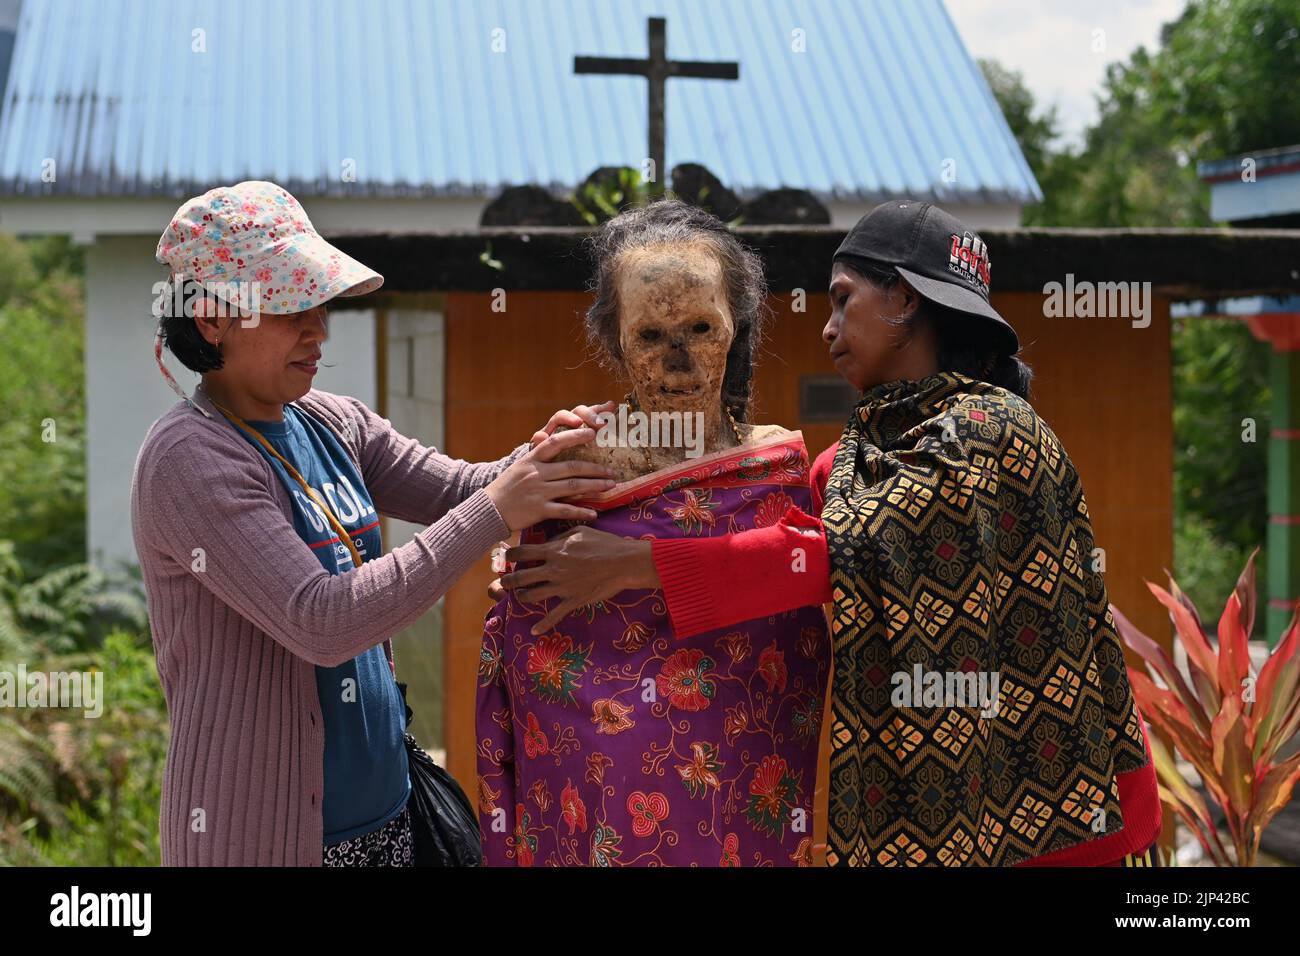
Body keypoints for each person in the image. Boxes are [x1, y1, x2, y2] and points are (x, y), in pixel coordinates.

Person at [497, 200, 1162, 867]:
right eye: (648, 337)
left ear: (903, 299)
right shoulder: (856, 458)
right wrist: (581, 466)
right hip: (972, 808)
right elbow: (764, 523)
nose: (828, 328)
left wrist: (628, 564)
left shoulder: (987, 430)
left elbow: (834, 554)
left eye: (844, 301)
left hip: (1058, 812)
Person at [132, 180, 618, 866]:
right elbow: (321, 620)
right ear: (211, 320)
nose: (318, 328)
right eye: (291, 305)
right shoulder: (189, 457)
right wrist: (498, 507)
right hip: (266, 839)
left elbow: (460, 489)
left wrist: (546, 451)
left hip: (386, 819)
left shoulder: (330, 421)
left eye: (320, 303)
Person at [477, 200, 829, 866]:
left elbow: (803, 601)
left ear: (737, 328)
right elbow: (531, 639)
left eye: (700, 328)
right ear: (612, 340)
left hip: (746, 782)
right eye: (649, 336)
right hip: (610, 810)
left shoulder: (780, 473)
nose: (678, 362)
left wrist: (640, 566)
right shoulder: (571, 467)